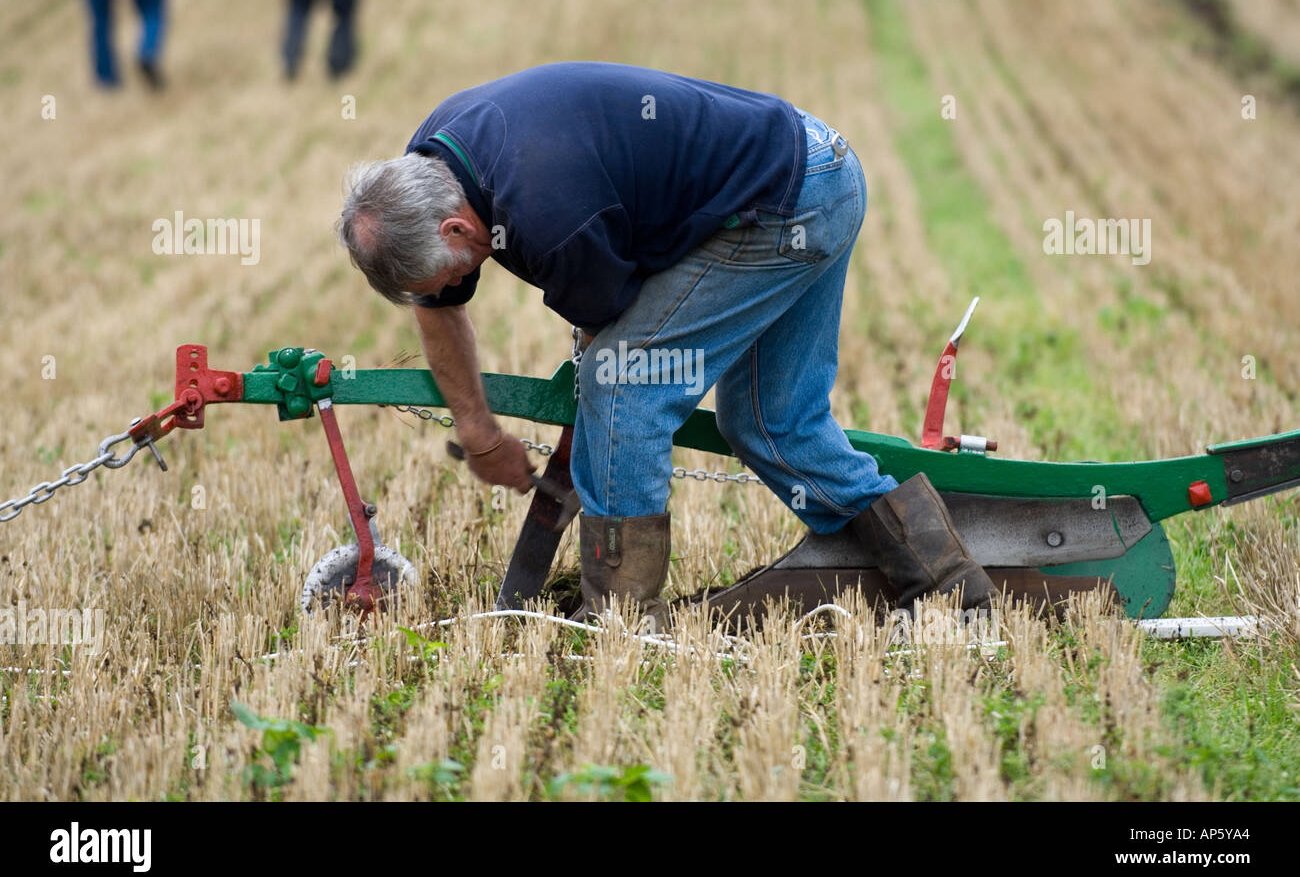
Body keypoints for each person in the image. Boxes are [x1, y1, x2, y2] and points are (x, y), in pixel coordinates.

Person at [337, 62, 996, 630]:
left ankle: (621, 615)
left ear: (455, 224)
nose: (455, 287)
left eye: (452, 273)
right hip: (817, 168)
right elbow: (438, 307)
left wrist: (596, 444)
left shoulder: (550, 212)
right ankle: (947, 581)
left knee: (626, 385)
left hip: (786, 207)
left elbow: (614, 358)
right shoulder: (425, 167)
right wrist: (478, 431)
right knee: (774, 422)